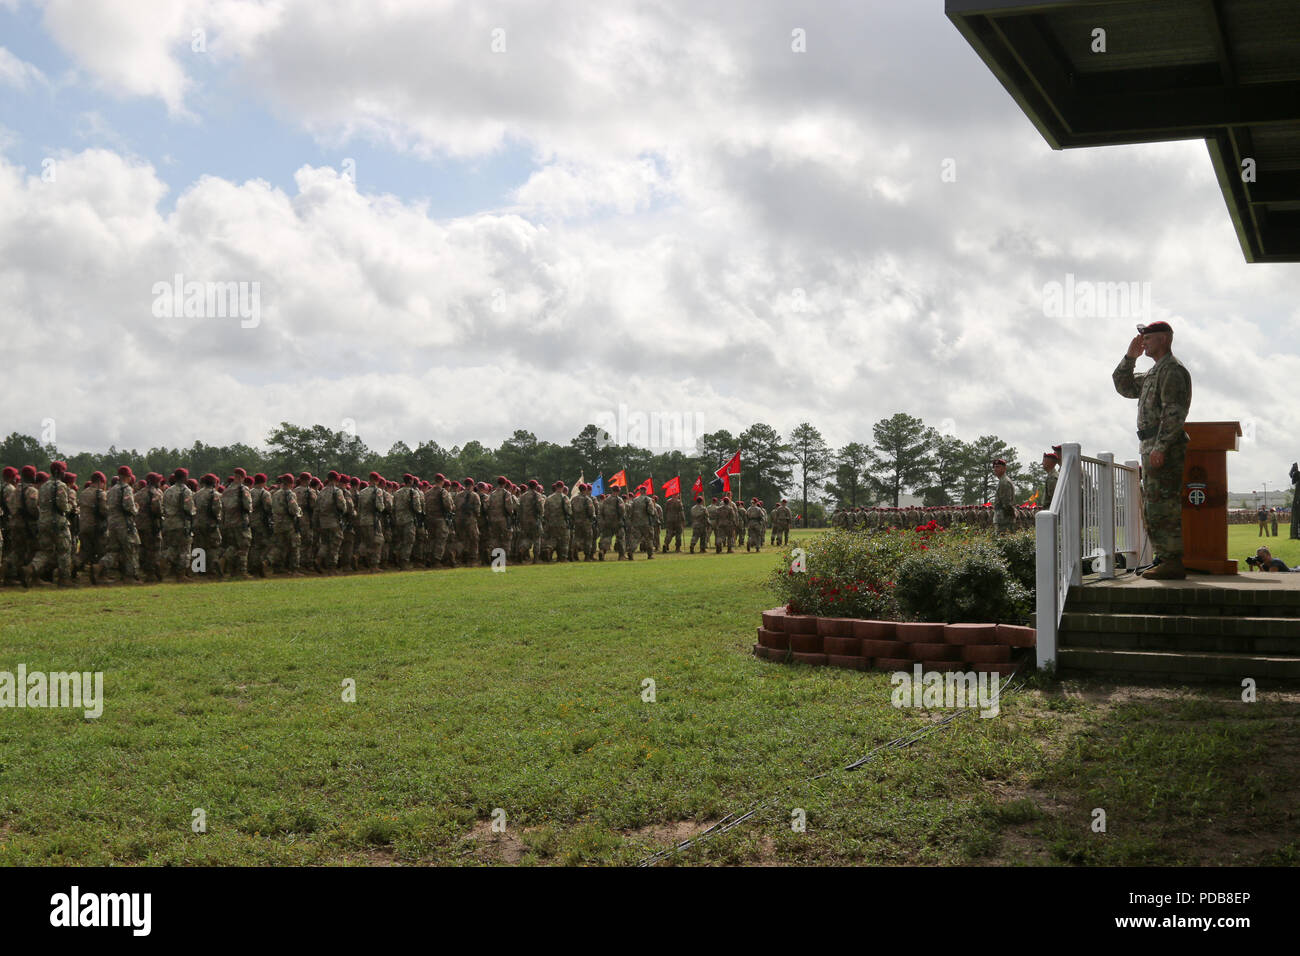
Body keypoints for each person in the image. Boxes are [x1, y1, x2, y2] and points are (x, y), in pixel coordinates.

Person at [1112, 321, 1192, 579]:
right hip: (1150, 444)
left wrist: (1161, 446)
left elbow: (1174, 412)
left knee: (1163, 505)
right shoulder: (1153, 373)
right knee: (1152, 505)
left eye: (1148, 338)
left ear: (1165, 339)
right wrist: (1129, 357)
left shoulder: (1173, 371)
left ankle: (1171, 561)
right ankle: (1164, 558)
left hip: (1163, 446)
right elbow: (1123, 386)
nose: (1143, 341)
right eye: (1142, 338)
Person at [992, 459, 1015, 533]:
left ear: (1004, 468)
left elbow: (1007, 503)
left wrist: (1011, 516)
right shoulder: (1002, 481)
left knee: (1003, 541)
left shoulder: (1004, 482)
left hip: (1004, 520)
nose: (995, 469)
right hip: (1002, 519)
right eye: (994, 467)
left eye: (998, 467)